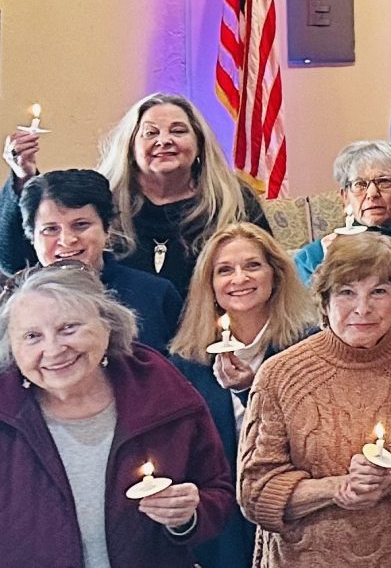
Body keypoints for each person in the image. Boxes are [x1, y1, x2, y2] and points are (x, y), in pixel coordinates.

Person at [240, 233, 391, 568]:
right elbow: (255, 491)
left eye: (379, 292)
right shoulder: (280, 375)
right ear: (324, 302)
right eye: (346, 292)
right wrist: (337, 489)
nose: (362, 308)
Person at [0, 266, 234, 568]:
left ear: (107, 325)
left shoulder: (160, 391)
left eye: (68, 328)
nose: (54, 349)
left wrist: (187, 514)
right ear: (12, 349)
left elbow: (217, 489)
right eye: (32, 336)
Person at [0, 94, 271, 289]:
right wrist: (23, 177)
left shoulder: (233, 199)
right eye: (150, 133)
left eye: (178, 131)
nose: (164, 141)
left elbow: (267, 271)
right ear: (130, 147)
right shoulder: (101, 198)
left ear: (199, 144)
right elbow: (18, 264)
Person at [170, 222, 321, 568]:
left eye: (253, 265)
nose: (239, 279)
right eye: (225, 270)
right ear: (209, 285)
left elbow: (314, 436)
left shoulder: (306, 346)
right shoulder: (186, 359)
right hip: (221, 523)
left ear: (275, 274)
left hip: (291, 512)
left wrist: (252, 391)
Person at [290, 141, 391, 339]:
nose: (372, 194)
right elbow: (301, 333)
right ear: (345, 196)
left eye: (384, 182)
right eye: (360, 184)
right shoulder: (314, 257)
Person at [21, 168, 186, 348]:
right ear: (32, 237)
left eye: (80, 225)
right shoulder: (16, 305)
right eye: (51, 229)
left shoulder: (155, 293)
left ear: (107, 228)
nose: (67, 240)